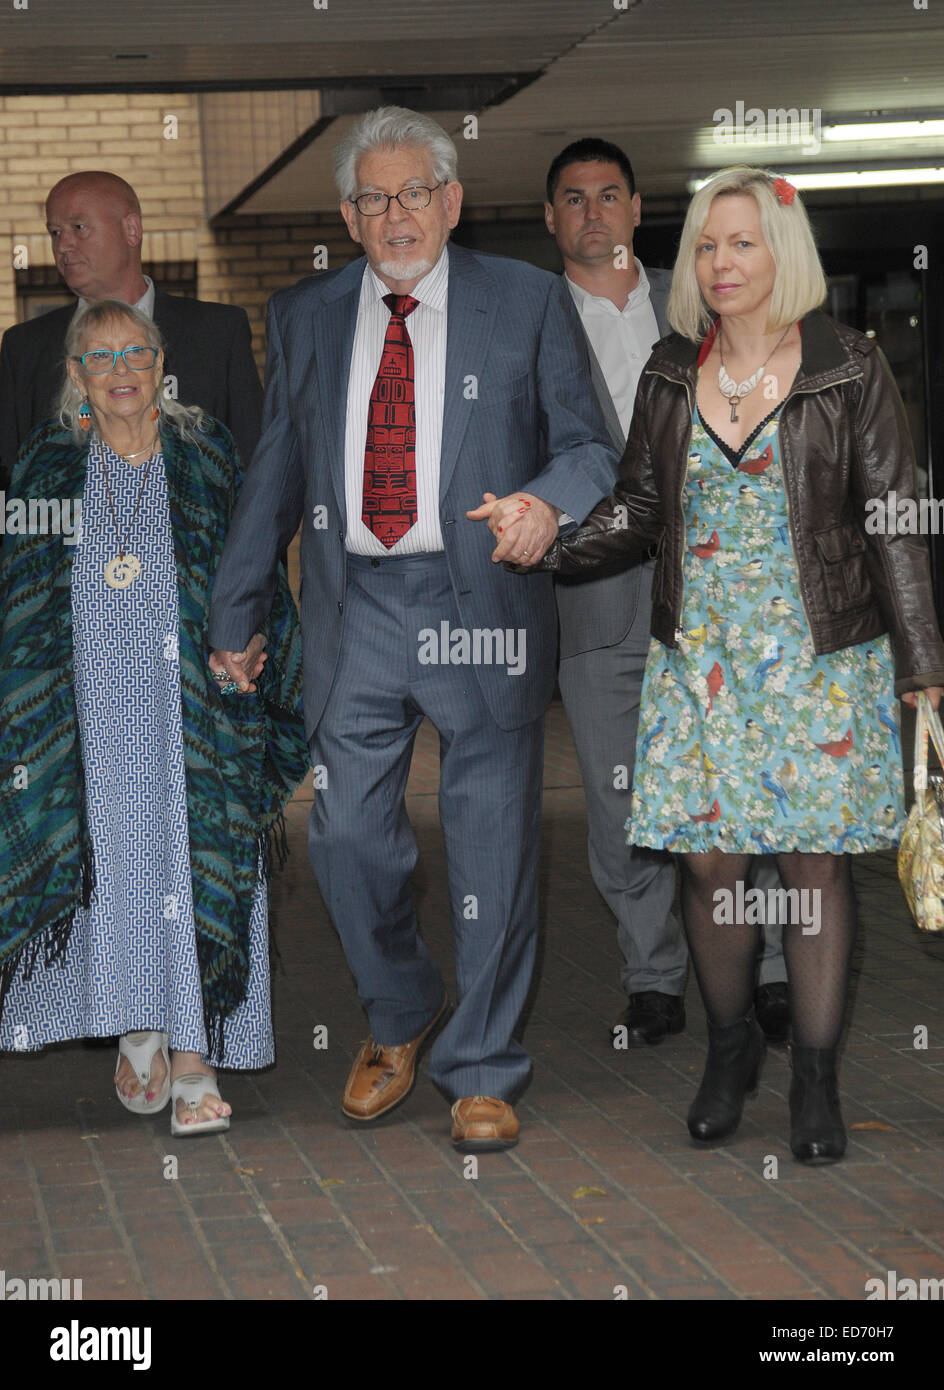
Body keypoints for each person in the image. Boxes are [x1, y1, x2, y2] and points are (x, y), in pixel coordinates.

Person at [488, 165, 944, 1163]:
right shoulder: (666, 368)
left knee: (811, 867)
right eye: (705, 244)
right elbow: (639, 512)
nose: (721, 262)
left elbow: (893, 520)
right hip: (696, 658)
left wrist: (921, 658)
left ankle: (814, 1082)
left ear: (781, 256)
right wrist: (550, 536)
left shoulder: (847, 365)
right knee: (709, 865)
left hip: (818, 657)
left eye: (742, 242)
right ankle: (728, 1048)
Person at [208, 106, 617, 1153]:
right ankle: (399, 1008)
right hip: (360, 608)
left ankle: (479, 1066)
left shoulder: (523, 302)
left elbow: (590, 448)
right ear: (349, 216)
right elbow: (273, 473)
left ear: (451, 201)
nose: (398, 215)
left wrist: (542, 504)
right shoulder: (302, 315)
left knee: (491, 849)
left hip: (480, 595)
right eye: (374, 198)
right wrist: (235, 611)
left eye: (415, 193)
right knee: (345, 837)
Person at [0, 299, 308, 1135]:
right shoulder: (46, 465)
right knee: (117, 870)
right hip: (87, 718)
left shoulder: (205, 449)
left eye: (137, 352)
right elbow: (21, 598)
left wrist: (250, 645)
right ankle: (139, 1022)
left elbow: (252, 566)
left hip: (193, 706)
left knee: (191, 855)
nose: (122, 371)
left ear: (161, 363)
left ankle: (194, 1056)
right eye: (101, 359)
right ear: (75, 378)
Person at [544, 139, 789, 1048]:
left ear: (637, 207)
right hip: (597, 595)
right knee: (622, 801)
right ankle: (653, 978)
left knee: (737, 787)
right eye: (573, 199)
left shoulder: (698, 301)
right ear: (551, 218)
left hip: (717, 594)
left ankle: (765, 968)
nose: (593, 213)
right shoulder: (531, 318)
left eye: (610, 194)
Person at [0, 171, 263, 490]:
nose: (63, 245)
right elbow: (9, 477)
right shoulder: (24, 347)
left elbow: (258, 468)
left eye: (78, 228)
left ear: (131, 229)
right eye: (55, 232)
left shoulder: (218, 331)